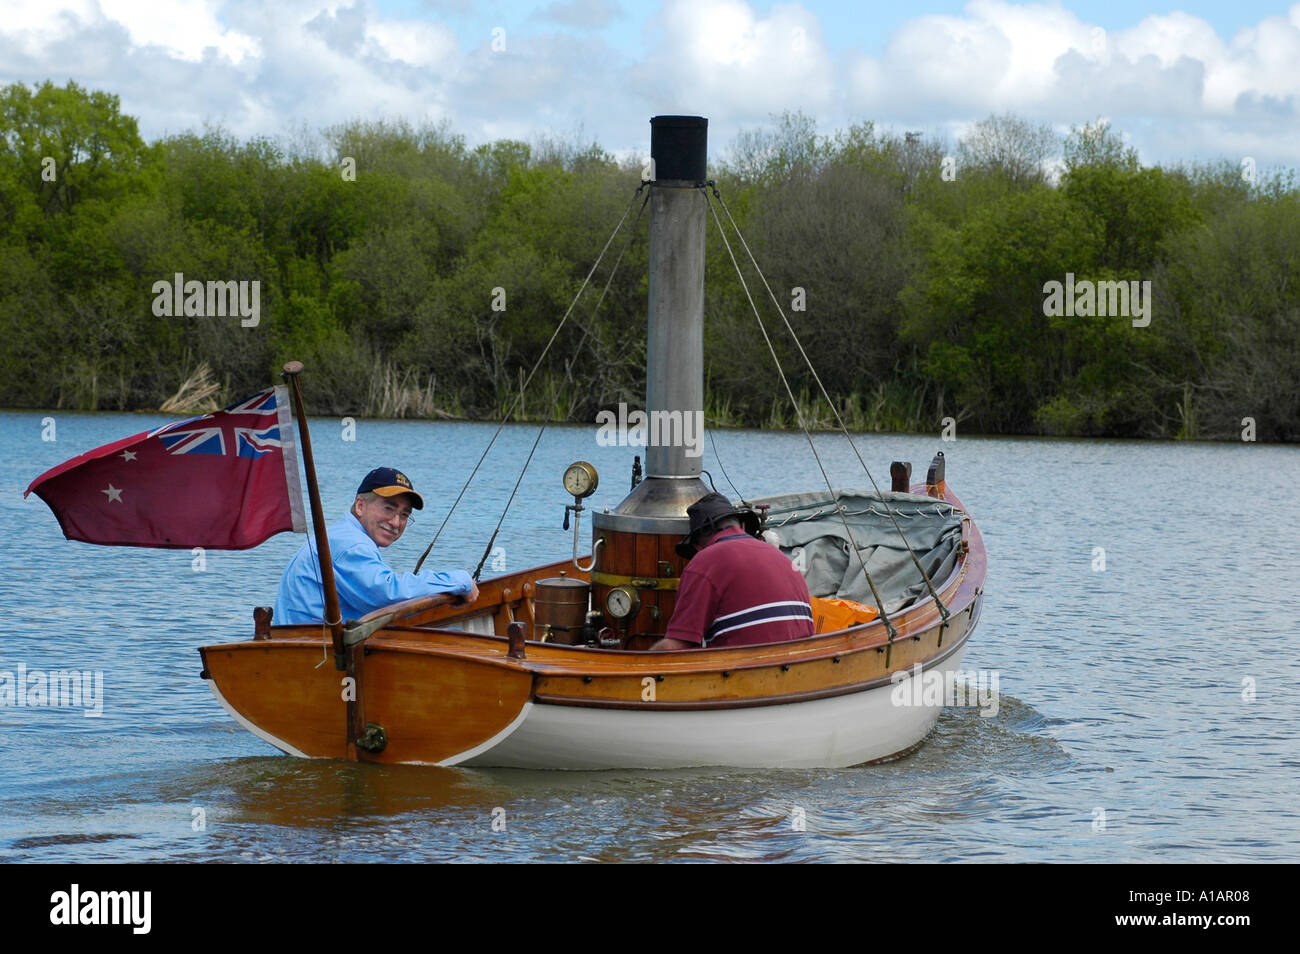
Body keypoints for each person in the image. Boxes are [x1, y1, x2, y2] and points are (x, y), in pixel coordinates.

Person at [275, 467, 478, 625]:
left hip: (308, 647)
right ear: (360, 506)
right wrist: (460, 580)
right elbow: (389, 594)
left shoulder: (343, 535)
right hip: (310, 654)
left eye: (404, 515)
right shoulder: (350, 544)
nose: (396, 522)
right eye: (389, 508)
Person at [650, 493, 814, 650]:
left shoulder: (704, 562)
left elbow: (675, 648)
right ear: (742, 526)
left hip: (745, 672)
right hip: (798, 666)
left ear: (698, 540)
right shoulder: (782, 558)